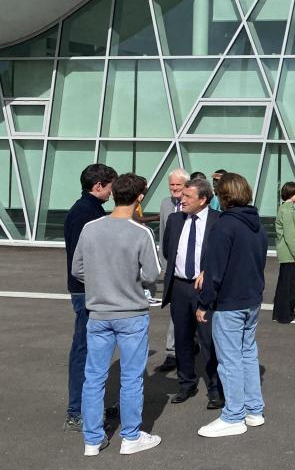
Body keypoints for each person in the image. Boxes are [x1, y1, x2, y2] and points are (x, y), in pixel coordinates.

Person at [71, 173, 162, 456]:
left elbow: (77, 269)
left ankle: (92, 438)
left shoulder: (90, 228)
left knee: (94, 378)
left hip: (99, 312)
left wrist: (102, 281)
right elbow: (152, 274)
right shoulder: (140, 232)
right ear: (139, 197)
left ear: (114, 193)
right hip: (131, 312)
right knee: (132, 378)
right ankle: (131, 436)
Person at [195, 173, 268, 438]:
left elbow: (214, 270)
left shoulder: (224, 226)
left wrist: (204, 304)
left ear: (223, 196)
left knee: (229, 360)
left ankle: (234, 415)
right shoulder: (256, 225)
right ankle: (253, 410)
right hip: (251, 299)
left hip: (230, 302)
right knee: (247, 353)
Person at [63, 163, 117, 432]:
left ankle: (87, 407)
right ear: (99, 186)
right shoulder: (86, 213)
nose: (112, 192)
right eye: (110, 186)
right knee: (84, 350)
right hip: (87, 292)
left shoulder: (87, 209)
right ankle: (77, 412)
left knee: (91, 350)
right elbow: (80, 261)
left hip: (87, 290)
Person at [161, 178, 223, 410]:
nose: (181, 199)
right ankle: (186, 383)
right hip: (179, 286)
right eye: (181, 195)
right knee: (182, 337)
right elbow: (169, 250)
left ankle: (216, 387)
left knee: (209, 340)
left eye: (187, 196)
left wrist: (208, 272)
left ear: (203, 199)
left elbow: (223, 254)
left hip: (204, 288)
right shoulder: (175, 220)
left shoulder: (218, 221)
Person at [154, 168, 190, 372]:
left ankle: (191, 344)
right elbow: (162, 234)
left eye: (178, 185)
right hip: (172, 267)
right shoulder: (166, 204)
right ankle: (171, 352)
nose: (175, 189)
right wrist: (163, 263)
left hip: (192, 269)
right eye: (172, 185)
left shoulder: (192, 204)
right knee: (175, 311)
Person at [273, 182, 295, 325]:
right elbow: (291, 236)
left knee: (284, 285)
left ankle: (279, 314)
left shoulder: (286, 208)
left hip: (286, 253)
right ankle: (286, 316)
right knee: (290, 287)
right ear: (290, 193)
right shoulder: (287, 210)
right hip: (289, 254)